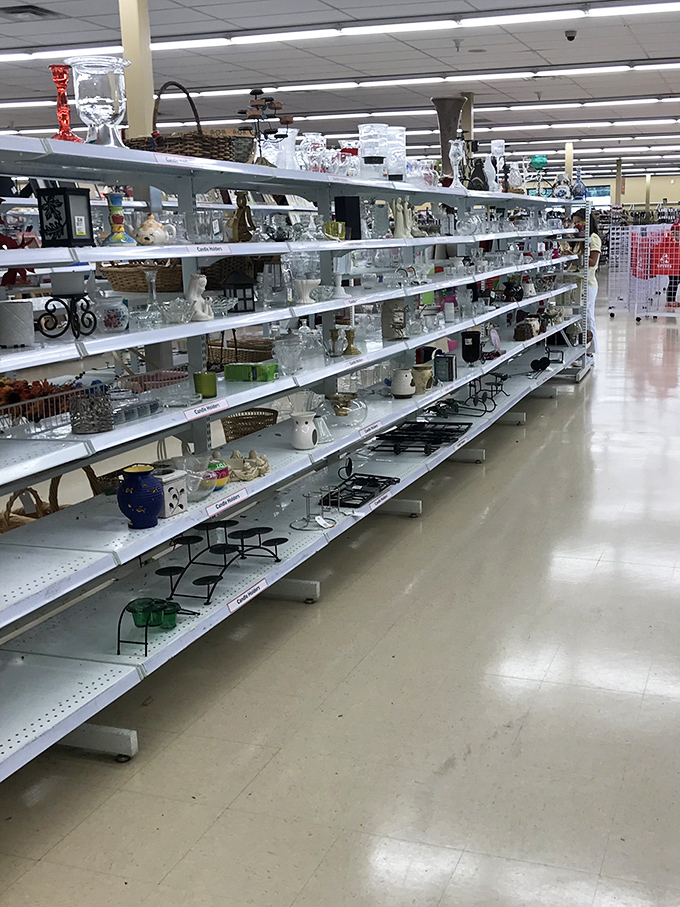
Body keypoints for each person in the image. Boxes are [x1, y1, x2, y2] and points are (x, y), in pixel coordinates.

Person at [572, 208, 601, 360]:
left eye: (579, 222)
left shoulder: (593, 238)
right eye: (574, 223)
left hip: (587, 284)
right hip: (577, 283)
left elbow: (592, 261)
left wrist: (574, 258)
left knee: (587, 317)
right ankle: (581, 350)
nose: (576, 225)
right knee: (579, 318)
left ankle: (589, 351)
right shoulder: (578, 239)